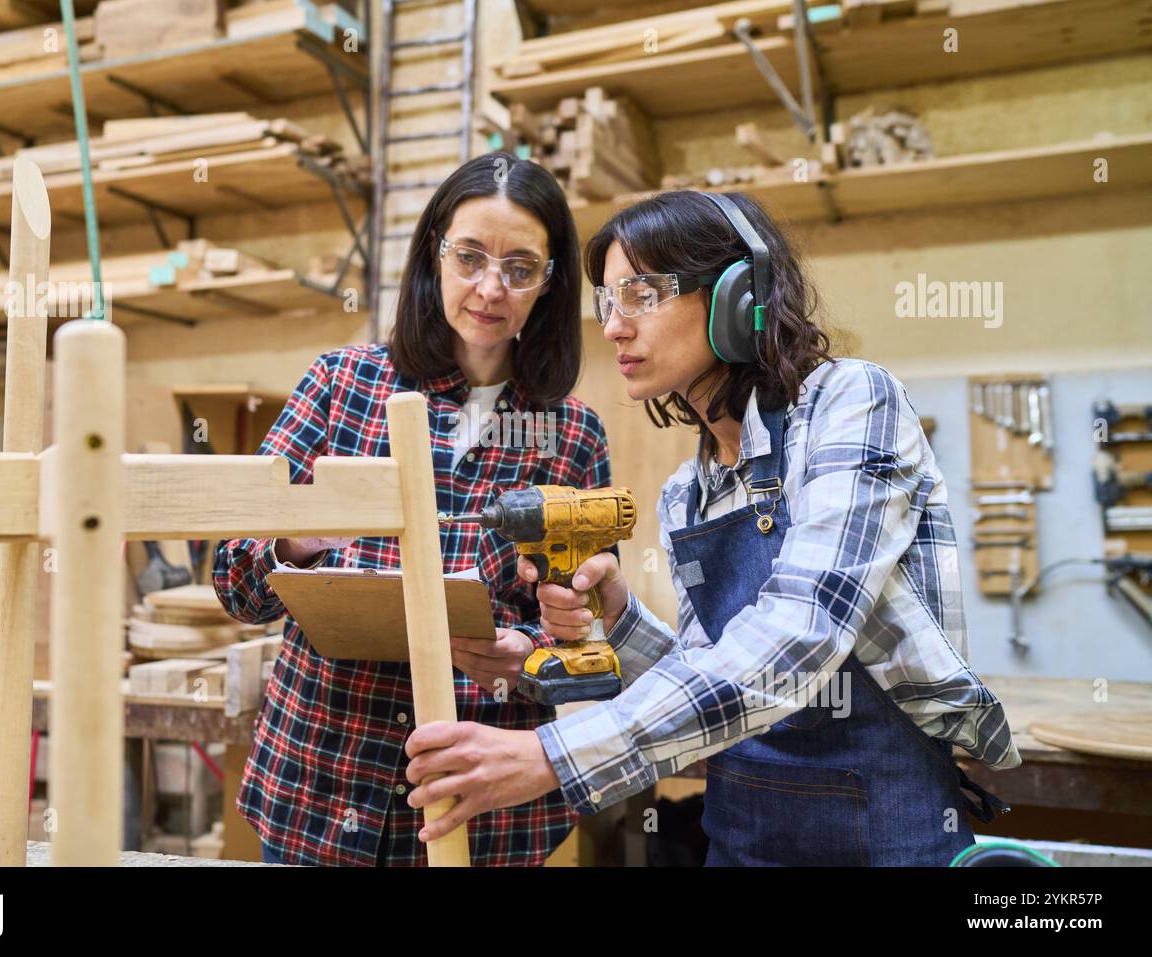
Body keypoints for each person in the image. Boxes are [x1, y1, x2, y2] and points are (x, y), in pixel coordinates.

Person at [404, 190, 1022, 866]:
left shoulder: (851, 403)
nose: (613, 327)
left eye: (640, 294)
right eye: (608, 302)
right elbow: (715, 676)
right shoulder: (687, 493)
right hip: (743, 837)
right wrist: (619, 614)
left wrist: (555, 754)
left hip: (884, 833)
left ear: (737, 293)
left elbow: (800, 632)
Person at [213, 152, 612, 866]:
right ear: (435, 255)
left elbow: (586, 646)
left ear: (548, 285)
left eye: (521, 268)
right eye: (470, 257)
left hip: (482, 806)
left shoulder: (572, 434)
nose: (491, 287)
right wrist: (297, 540)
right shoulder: (342, 384)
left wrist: (530, 655)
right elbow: (233, 582)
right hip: (324, 788)